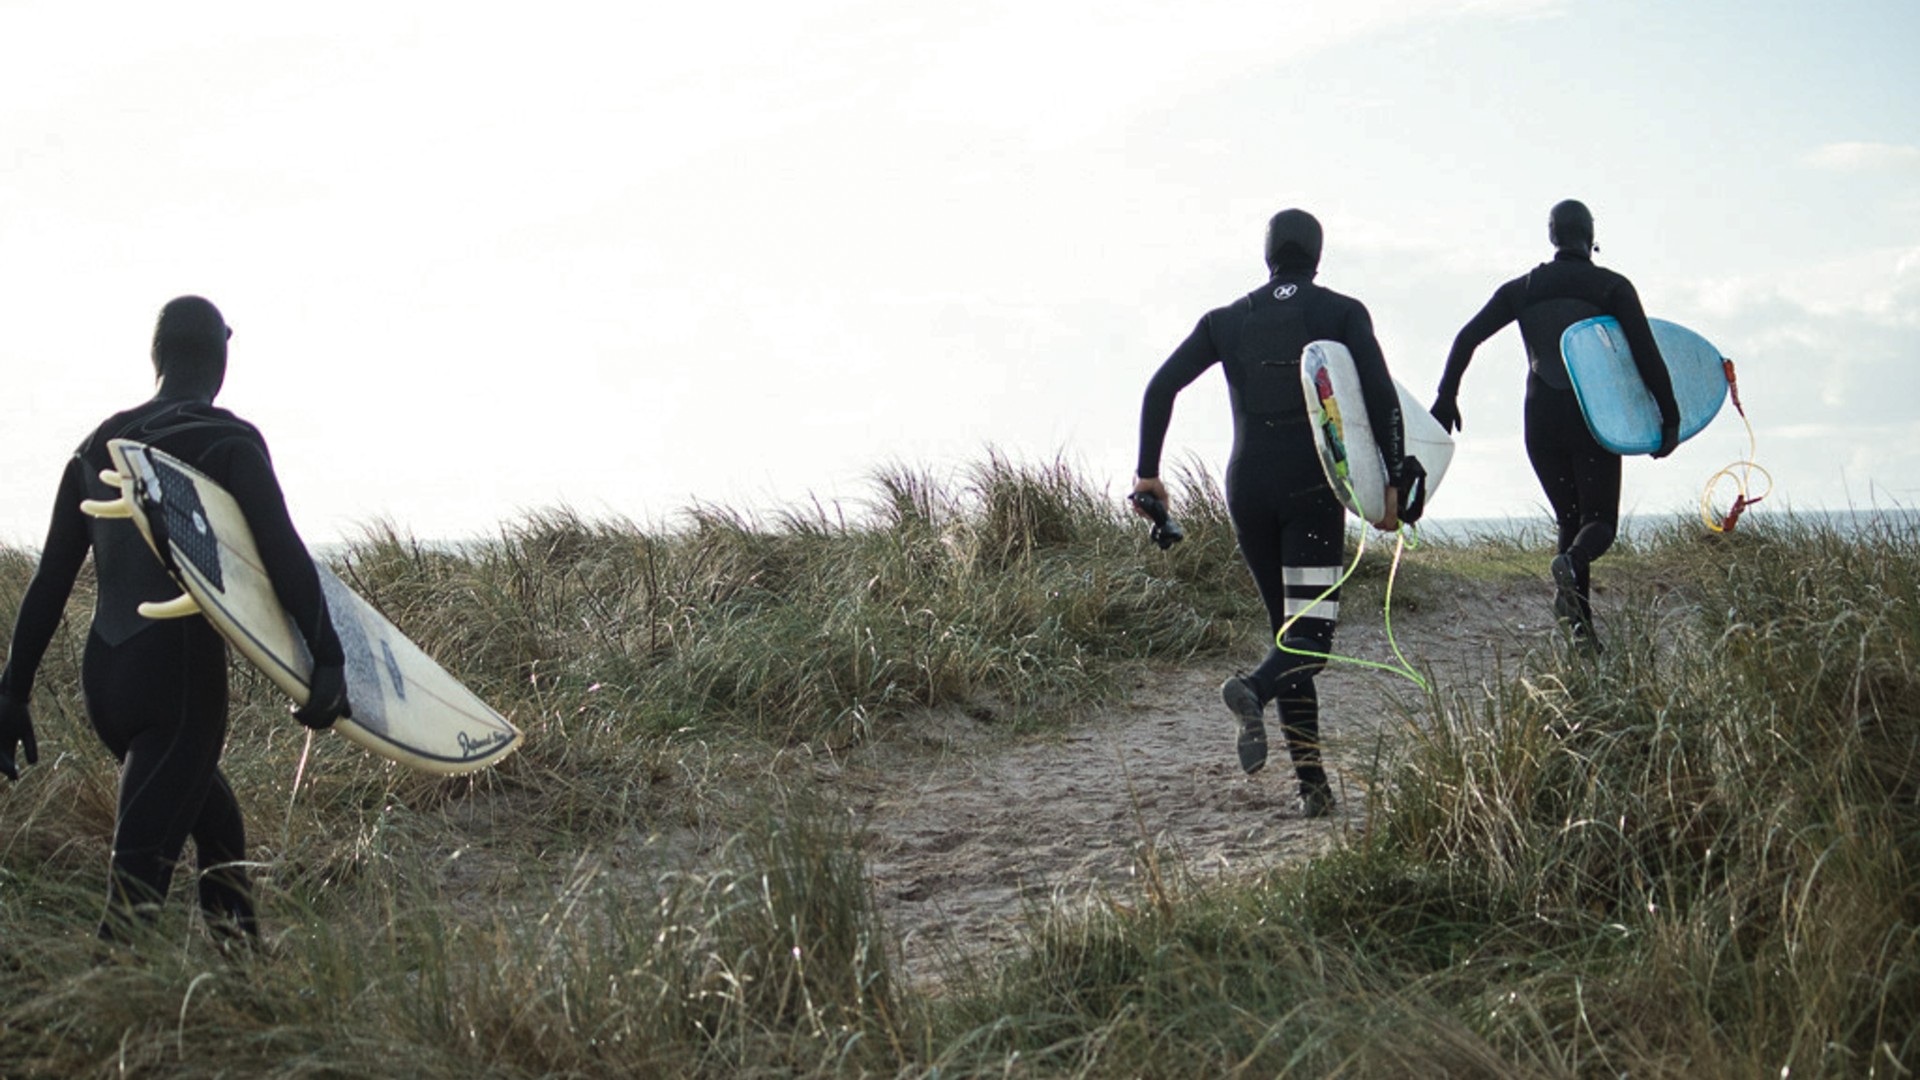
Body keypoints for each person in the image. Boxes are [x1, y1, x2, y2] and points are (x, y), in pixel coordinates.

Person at [0, 295, 351, 944]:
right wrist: (326, 656)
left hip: (106, 679)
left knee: (217, 826)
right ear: (224, 353)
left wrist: (12, 691)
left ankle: (245, 987)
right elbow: (281, 553)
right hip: (177, 688)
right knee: (134, 897)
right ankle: (101, 1023)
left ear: (156, 356)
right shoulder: (226, 440)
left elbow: (50, 578)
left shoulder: (98, 443)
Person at [1133, 209, 1404, 817]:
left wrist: (1148, 472)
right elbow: (1382, 394)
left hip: (1246, 488)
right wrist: (1390, 478)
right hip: (1309, 490)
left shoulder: (1226, 320)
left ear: (1266, 255)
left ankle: (1313, 790)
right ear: (1317, 255)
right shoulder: (1341, 312)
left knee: (1291, 640)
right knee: (1308, 644)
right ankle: (1248, 690)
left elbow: (1160, 387)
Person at [1429, 199, 1679, 648]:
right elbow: (1646, 353)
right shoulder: (1612, 287)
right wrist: (1670, 415)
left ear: (1552, 236)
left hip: (1540, 418)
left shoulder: (1523, 287)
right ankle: (1573, 570)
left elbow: (1467, 337)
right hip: (1591, 417)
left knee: (1569, 516)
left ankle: (1581, 631)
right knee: (1598, 521)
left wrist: (1446, 398)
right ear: (1591, 236)